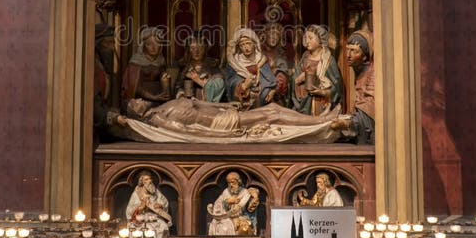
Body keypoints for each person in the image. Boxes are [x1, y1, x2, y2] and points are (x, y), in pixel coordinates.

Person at [124, 95, 342, 143]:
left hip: (221, 114)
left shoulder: (164, 105)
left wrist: (224, 105)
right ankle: (318, 122)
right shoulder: (159, 119)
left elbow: (199, 103)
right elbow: (188, 133)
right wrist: (222, 134)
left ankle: (317, 119)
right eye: (135, 102)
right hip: (221, 125)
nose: (139, 99)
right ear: (137, 113)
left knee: (274, 108)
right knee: (272, 114)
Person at [331, 29, 375, 144]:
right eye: (347, 50)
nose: (348, 55)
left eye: (354, 51)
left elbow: (370, 112)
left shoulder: (373, 75)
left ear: (365, 56)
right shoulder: (360, 72)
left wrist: (347, 123)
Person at [292, 24, 343, 115]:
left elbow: (337, 88)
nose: (307, 41)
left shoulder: (328, 61)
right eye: (306, 38)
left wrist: (322, 92)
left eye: (310, 38)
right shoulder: (305, 58)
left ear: (320, 40)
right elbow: (294, 81)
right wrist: (298, 80)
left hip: (320, 105)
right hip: (302, 103)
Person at [94, 23, 131, 142]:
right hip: (96, 127)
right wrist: (114, 118)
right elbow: (92, 107)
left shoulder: (100, 66)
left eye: (113, 43)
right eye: (108, 44)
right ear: (97, 45)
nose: (112, 48)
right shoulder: (92, 69)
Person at [224, 27, 277, 109]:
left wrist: (272, 90)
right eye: (242, 45)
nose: (246, 47)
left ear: (255, 44)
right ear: (239, 47)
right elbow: (230, 83)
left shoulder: (261, 59)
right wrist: (243, 86)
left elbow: (270, 81)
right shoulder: (234, 63)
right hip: (242, 102)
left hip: (263, 101)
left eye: (248, 43)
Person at [121, 27, 171, 109]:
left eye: (157, 43)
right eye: (149, 44)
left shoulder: (160, 60)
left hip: (158, 98)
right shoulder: (136, 61)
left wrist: (165, 85)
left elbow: (163, 80)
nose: (153, 47)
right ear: (143, 45)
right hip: (139, 100)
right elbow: (135, 87)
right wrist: (154, 97)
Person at [174, 31, 225, 102]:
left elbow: (220, 84)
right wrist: (182, 95)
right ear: (188, 50)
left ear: (205, 49)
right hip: (189, 102)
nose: (196, 52)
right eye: (193, 48)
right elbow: (179, 86)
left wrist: (199, 81)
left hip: (207, 103)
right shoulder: (185, 66)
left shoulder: (212, 65)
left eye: (200, 48)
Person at [208, 171, 258, 236]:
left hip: (242, 218)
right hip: (226, 218)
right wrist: (227, 202)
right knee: (221, 227)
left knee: (244, 229)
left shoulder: (245, 193)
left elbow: (250, 209)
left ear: (238, 182)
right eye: (229, 183)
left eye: (233, 182)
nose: (231, 185)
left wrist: (255, 198)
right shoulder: (226, 192)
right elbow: (218, 204)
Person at [125, 169, 172, 236]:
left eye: (150, 179)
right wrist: (140, 208)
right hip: (140, 217)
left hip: (154, 217)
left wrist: (160, 205)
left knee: (163, 225)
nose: (149, 181)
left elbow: (164, 202)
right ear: (142, 182)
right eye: (146, 179)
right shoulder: (137, 193)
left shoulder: (155, 191)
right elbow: (129, 210)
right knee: (146, 228)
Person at [260, 22, 291, 106]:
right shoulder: (258, 52)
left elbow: (282, 75)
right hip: (259, 88)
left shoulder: (280, 55)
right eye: (271, 34)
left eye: (277, 35)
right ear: (265, 35)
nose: (274, 38)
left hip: (276, 92)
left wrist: (275, 90)